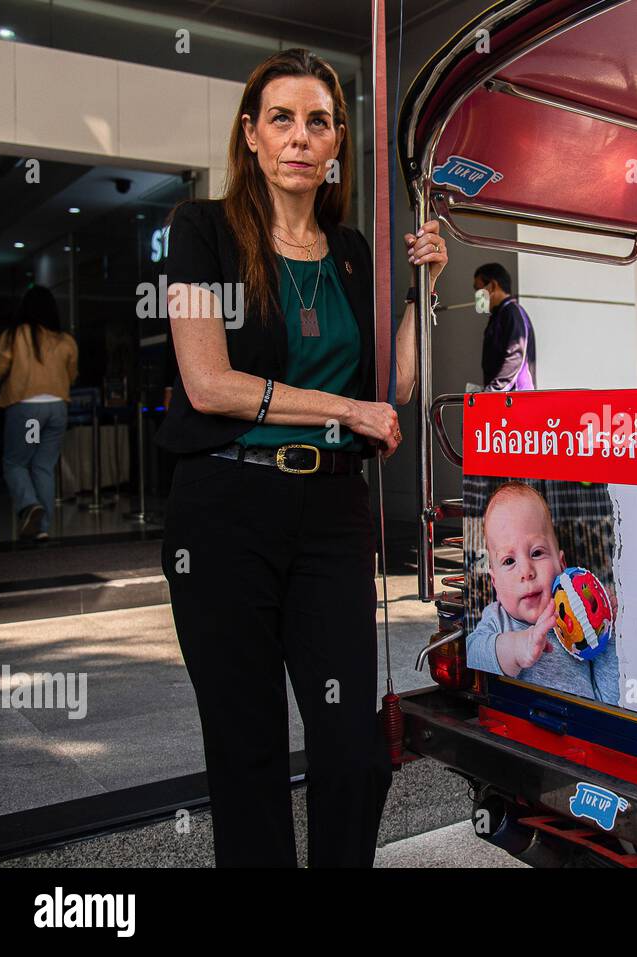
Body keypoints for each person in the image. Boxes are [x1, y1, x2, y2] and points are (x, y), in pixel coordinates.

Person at [155, 48, 448, 867]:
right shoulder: (199, 232)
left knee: (354, 746)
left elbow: (392, 389)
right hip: (223, 511)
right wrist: (345, 408)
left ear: (336, 142)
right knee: (247, 752)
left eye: (318, 120)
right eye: (280, 118)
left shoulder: (354, 252)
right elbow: (209, 383)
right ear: (250, 136)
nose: (299, 136)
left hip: (330, 512)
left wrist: (419, 295)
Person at [465, 482, 619, 704]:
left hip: (579, 732)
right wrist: (518, 647)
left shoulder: (579, 622)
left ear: (561, 565)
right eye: (509, 561)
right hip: (517, 732)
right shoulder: (497, 619)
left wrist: (608, 637)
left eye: (537, 553)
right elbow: (473, 652)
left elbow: (608, 700)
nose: (526, 571)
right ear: (495, 582)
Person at [0, 285, 78, 541]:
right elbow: (72, 374)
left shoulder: (16, 335)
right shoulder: (65, 339)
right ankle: (43, 527)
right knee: (44, 466)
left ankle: (29, 506)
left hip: (29, 411)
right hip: (57, 409)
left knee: (16, 463)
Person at [473, 263, 536, 391]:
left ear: (492, 286)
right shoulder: (499, 315)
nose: (477, 296)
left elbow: (515, 356)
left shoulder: (512, 312)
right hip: (504, 399)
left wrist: (493, 391)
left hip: (516, 400)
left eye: (478, 289)